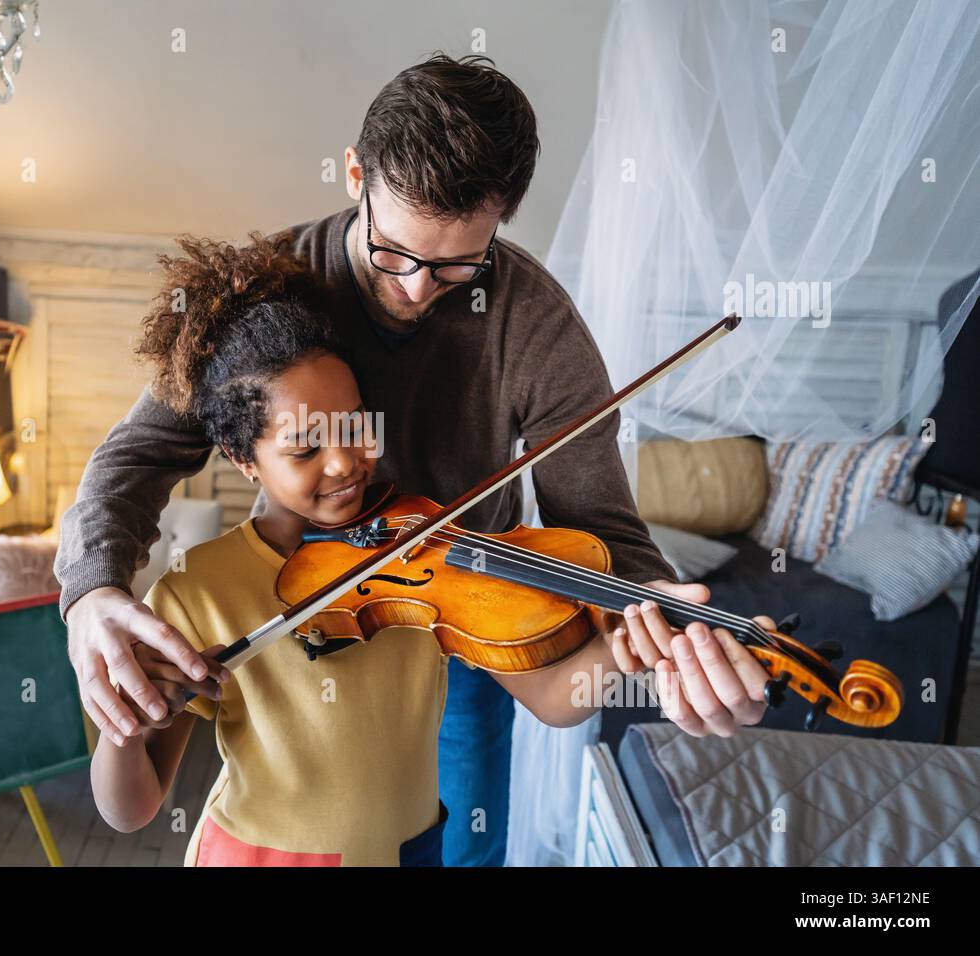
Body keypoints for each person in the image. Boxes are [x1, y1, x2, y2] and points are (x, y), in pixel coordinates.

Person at [60, 54, 771, 867]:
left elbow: (602, 531)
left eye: (457, 264)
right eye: (394, 251)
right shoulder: (274, 293)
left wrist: (671, 640)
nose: (416, 287)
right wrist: (90, 594)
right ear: (357, 176)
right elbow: (137, 454)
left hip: (467, 611)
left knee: (461, 844)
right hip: (293, 644)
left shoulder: (535, 324)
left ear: (501, 219)